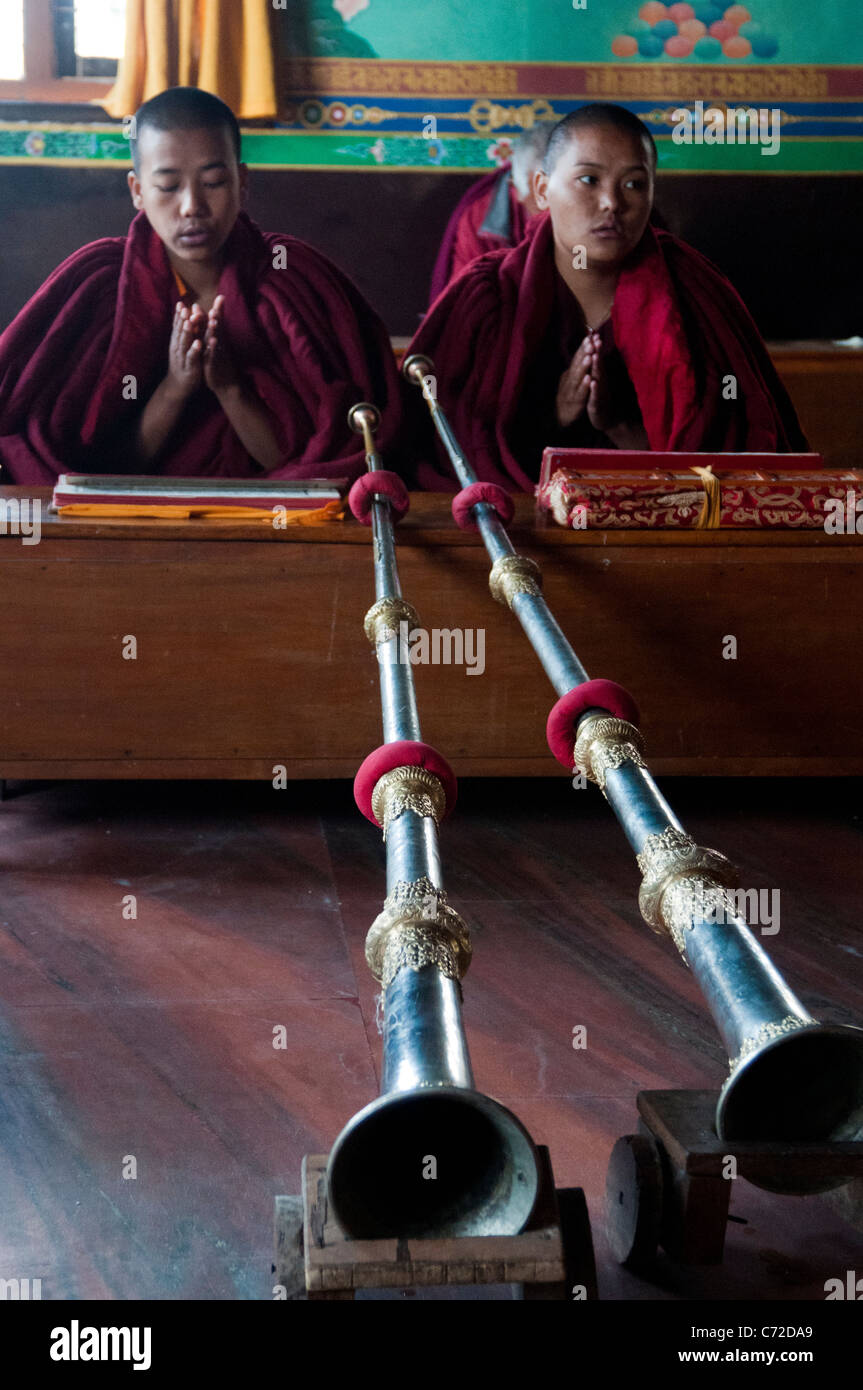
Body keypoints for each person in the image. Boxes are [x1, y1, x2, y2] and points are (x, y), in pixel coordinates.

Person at [0, 86, 402, 483]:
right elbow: (102, 471)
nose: (192, 205)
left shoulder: (293, 282)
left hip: (272, 525)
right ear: (138, 191)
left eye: (213, 182)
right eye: (169, 186)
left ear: (242, 183)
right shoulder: (100, 285)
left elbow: (307, 467)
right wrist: (176, 387)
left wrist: (229, 388)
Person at [409, 103, 807, 492]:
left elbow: (748, 464)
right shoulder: (486, 297)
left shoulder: (698, 296)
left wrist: (621, 427)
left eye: (634, 183)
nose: (612, 204)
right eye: (589, 180)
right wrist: (554, 416)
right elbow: (445, 460)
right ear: (542, 190)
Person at [428, 123, 555, 303]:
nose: (553, 210)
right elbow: (468, 302)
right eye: (542, 198)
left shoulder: (596, 205)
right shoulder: (480, 220)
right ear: (516, 191)